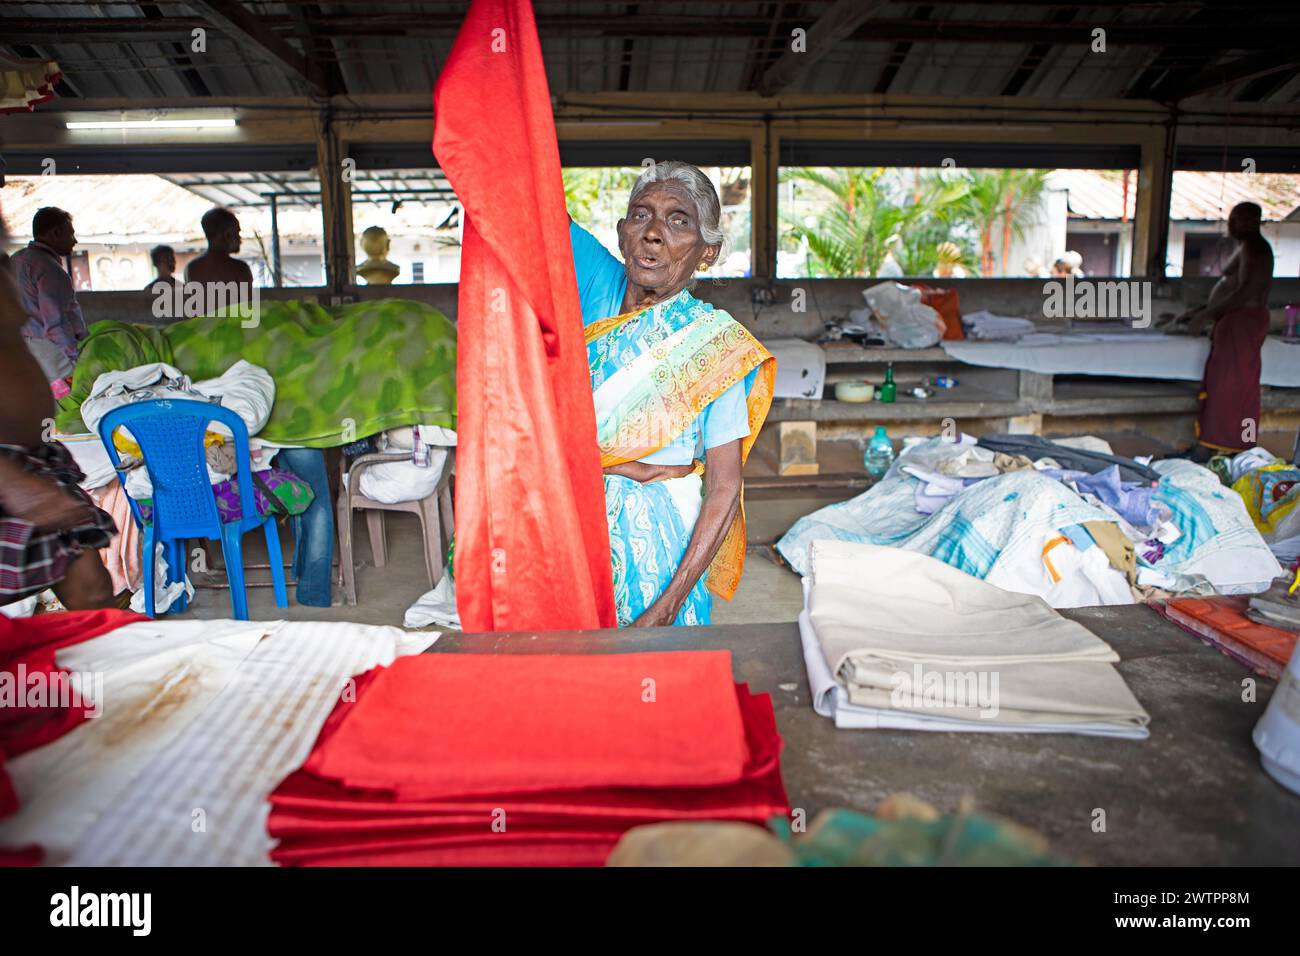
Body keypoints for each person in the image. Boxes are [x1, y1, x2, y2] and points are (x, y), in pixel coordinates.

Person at [569, 160, 774, 627]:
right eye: (641, 215)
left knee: (650, 685)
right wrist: (616, 464)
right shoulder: (598, 285)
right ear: (622, 233)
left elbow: (724, 487)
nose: (654, 233)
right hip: (569, 526)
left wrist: (665, 608)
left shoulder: (715, 346)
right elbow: (524, 200)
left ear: (708, 252)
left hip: (658, 546)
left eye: (678, 221)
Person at [0, 218, 116, 611]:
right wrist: (9, 480)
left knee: (93, 588)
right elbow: (55, 327)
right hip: (8, 468)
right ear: (52, 234)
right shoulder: (45, 267)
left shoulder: (12, 261)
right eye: (68, 231)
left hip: (31, 456)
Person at [1175, 202, 1274, 462]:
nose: (1231, 224)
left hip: (1243, 323)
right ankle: (1210, 441)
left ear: (1252, 221)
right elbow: (1231, 289)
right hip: (1232, 322)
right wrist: (1200, 310)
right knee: (1221, 383)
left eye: (1237, 219)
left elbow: (1247, 291)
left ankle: (1226, 445)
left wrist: (1208, 315)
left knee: (1232, 385)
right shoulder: (1244, 247)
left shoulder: (1257, 248)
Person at [10, 206, 87, 384]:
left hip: (17, 346)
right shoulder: (50, 269)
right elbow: (55, 322)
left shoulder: (17, 260)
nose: (74, 241)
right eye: (70, 234)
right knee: (67, 398)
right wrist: (76, 357)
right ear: (55, 233)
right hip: (48, 350)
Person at [186, 207, 253, 289]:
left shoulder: (192, 268)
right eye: (237, 232)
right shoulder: (240, 268)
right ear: (227, 235)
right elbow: (249, 301)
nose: (240, 239)